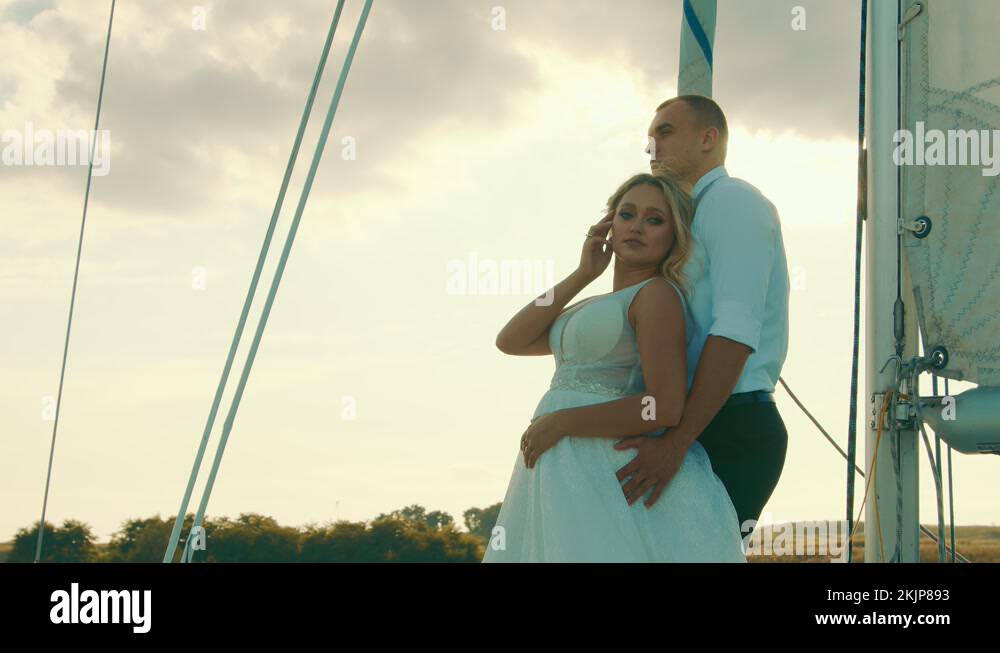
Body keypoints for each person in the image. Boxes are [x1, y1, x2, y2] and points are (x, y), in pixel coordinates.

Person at [483, 172, 745, 562]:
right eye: (627, 214)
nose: (637, 226)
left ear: (674, 235)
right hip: (560, 476)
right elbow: (511, 339)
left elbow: (664, 406)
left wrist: (562, 423)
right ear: (608, 224)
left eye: (655, 219)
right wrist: (583, 274)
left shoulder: (656, 295)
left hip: (604, 470)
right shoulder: (592, 304)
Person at [616, 94, 790, 542]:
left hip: (732, 423)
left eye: (666, 132)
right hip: (685, 423)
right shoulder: (683, 221)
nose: (652, 147)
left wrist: (676, 444)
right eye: (649, 139)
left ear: (709, 138)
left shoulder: (734, 202)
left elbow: (735, 329)